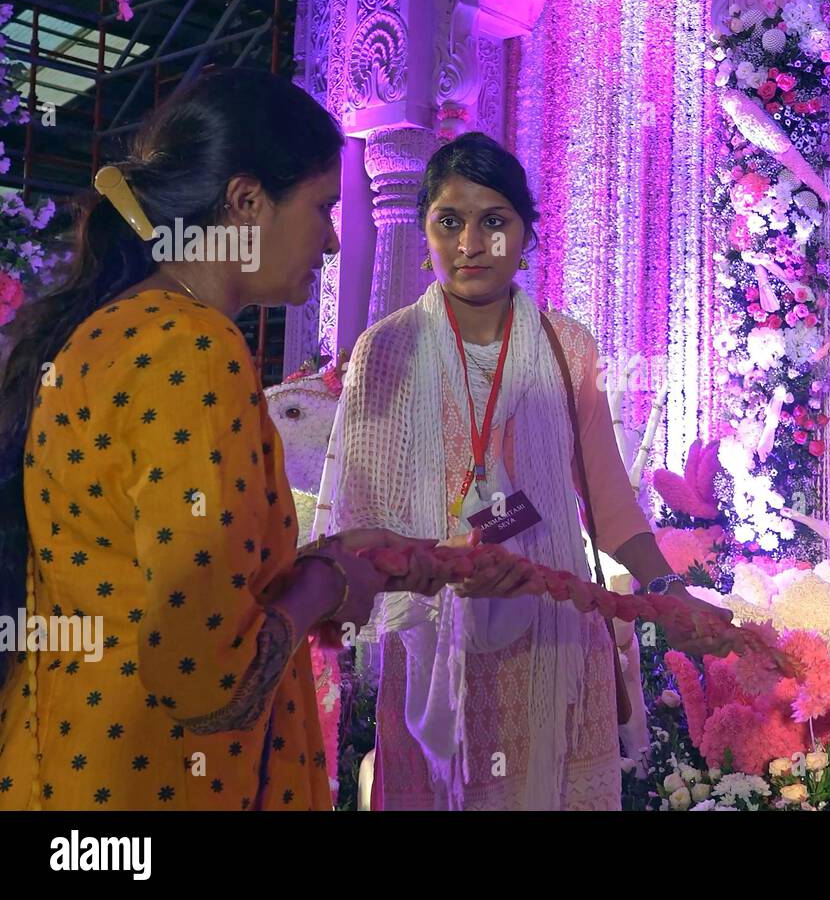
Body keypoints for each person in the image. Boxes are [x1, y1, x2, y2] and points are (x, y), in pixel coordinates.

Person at [0, 69, 507, 810]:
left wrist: (326, 559)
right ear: (244, 202)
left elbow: (161, 584)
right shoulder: (193, 350)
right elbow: (209, 678)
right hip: (153, 778)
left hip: (72, 759)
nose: (333, 240)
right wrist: (329, 585)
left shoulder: (113, 330)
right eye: (321, 207)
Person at [323, 132, 736, 810]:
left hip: (554, 638)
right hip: (435, 642)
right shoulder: (387, 350)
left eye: (494, 221)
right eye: (449, 221)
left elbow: (605, 497)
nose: (470, 243)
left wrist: (668, 589)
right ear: (425, 225)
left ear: (524, 233)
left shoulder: (563, 344)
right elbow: (361, 516)